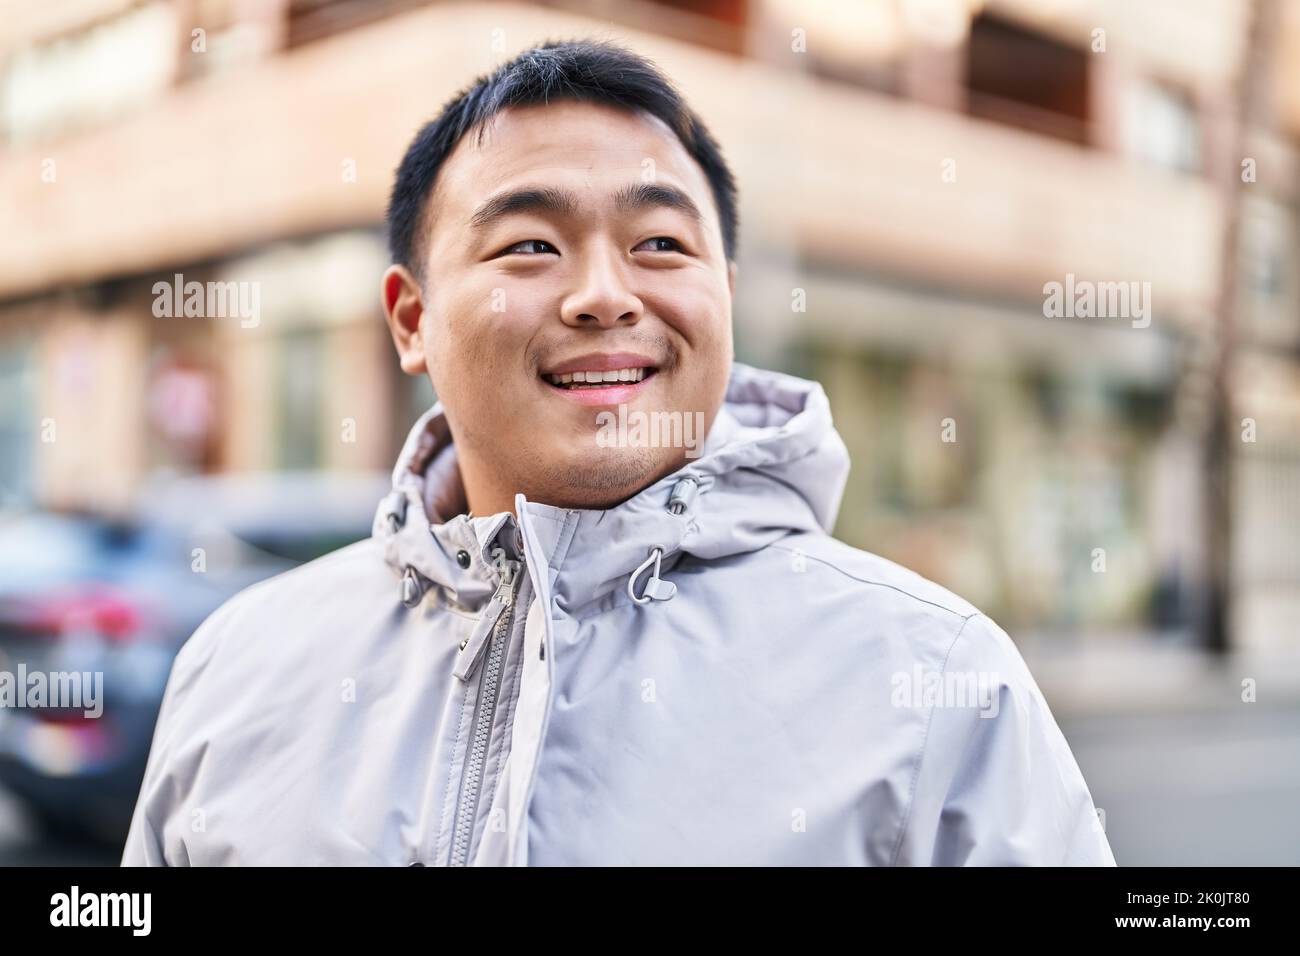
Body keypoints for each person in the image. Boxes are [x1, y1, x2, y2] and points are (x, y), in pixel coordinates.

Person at [122, 38, 1115, 866]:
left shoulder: (937, 675)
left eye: (659, 245)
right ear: (413, 317)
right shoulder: (240, 661)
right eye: (529, 245)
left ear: (722, 293)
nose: (604, 293)